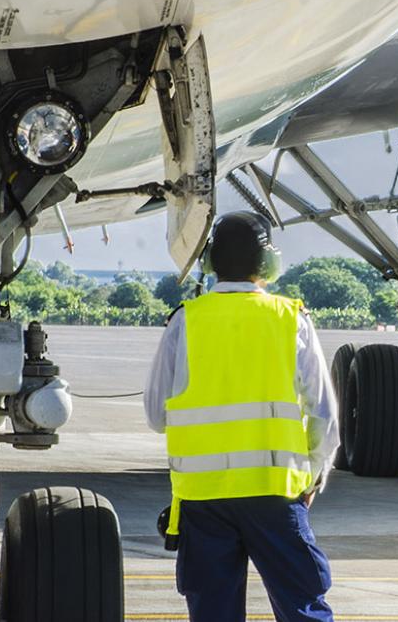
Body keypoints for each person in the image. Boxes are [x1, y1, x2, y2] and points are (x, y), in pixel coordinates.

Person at [143, 212, 338, 621]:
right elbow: (322, 412)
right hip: (275, 493)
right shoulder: (290, 319)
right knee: (302, 606)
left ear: (210, 261)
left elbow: (157, 414)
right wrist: (315, 475)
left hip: (203, 498)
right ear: (267, 264)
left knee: (212, 611)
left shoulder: (185, 320)